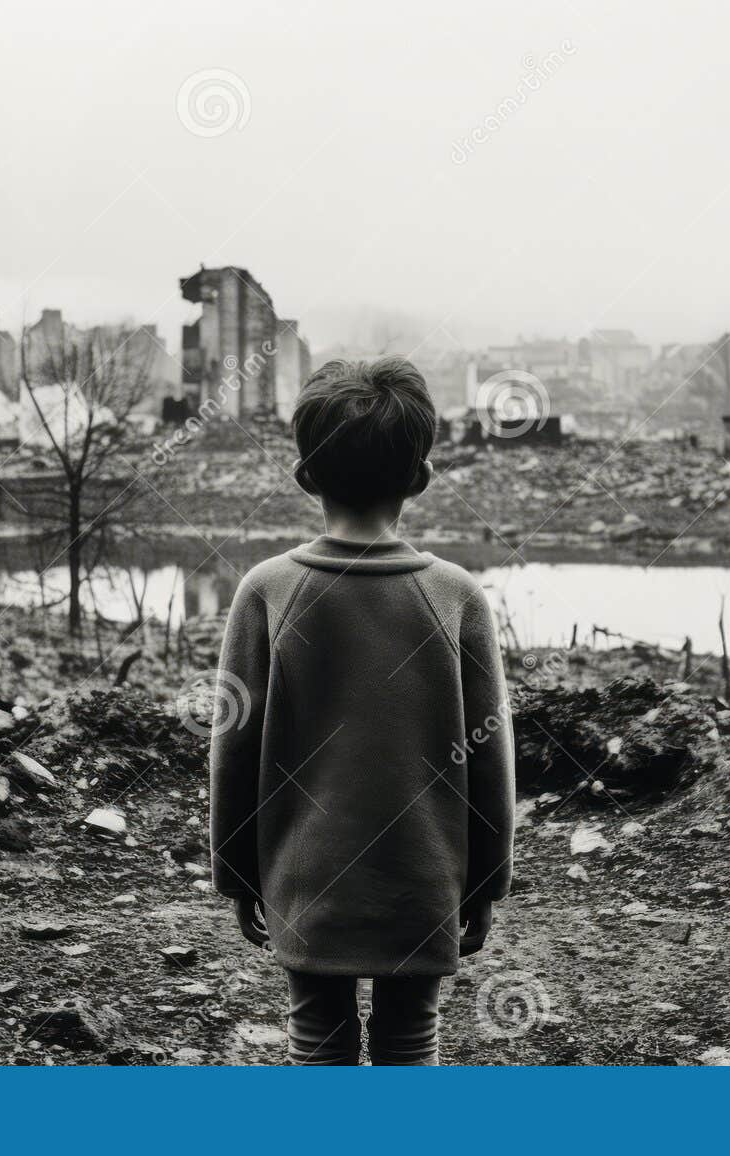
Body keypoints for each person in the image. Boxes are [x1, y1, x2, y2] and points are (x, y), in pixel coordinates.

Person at [209, 356, 515, 1065]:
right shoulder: (458, 596)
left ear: (304, 475)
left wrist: (237, 871)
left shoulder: (266, 591)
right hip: (423, 877)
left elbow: (234, 747)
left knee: (317, 1036)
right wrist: (487, 880)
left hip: (304, 877)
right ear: (421, 477)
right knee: (412, 1036)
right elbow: (491, 759)